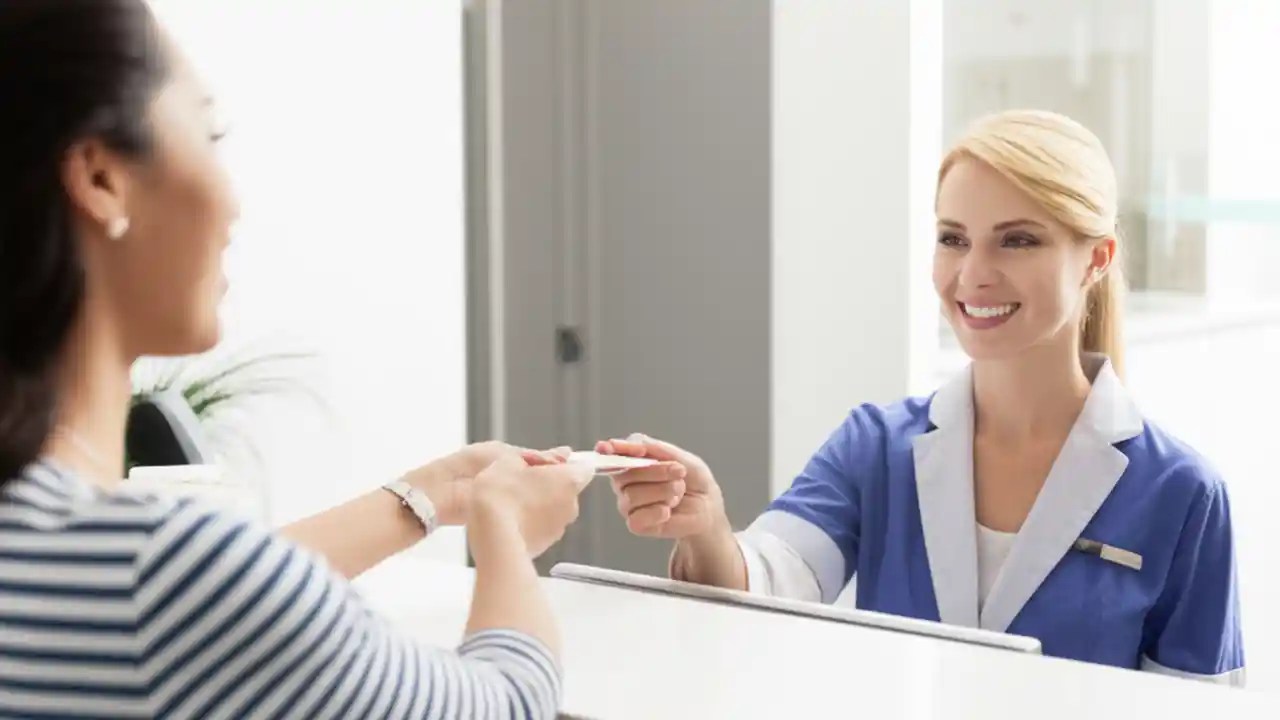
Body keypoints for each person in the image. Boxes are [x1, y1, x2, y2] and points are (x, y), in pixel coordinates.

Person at [0, 2, 588, 717]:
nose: (235, 204)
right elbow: (508, 703)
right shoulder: (161, 576)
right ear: (100, 179)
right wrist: (506, 536)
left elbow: (210, 618)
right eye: (209, 133)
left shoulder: (98, 569)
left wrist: (427, 495)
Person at [601, 109, 1246, 684]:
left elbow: (1202, 709)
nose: (973, 274)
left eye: (1017, 240)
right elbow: (774, 579)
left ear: (1096, 259)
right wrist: (707, 527)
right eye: (953, 238)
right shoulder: (876, 447)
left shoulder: (1181, 494)